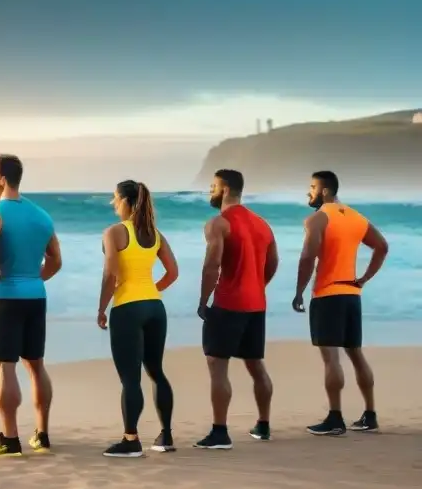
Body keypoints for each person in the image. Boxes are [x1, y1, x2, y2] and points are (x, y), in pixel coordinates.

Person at [0, 154, 61, 458]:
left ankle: (9, 438)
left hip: (6, 297)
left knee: (4, 366)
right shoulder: (42, 216)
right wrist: (33, 280)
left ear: (1, 179)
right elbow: (55, 261)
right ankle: (42, 434)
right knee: (36, 364)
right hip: (36, 297)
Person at [293, 171, 388, 436]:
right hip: (351, 295)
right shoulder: (357, 217)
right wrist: (364, 279)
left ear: (324, 191)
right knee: (355, 353)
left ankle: (335, 417)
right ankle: (370, 415)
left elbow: (307, 257)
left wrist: (299, 291)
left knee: (331, 357)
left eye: (312, 187)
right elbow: (382, 247)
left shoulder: (318, 219)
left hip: (327, 295)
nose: (308, 192)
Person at [195, 169, 278, 449]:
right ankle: (263, 425)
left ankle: (220, 432)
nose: (210, 191)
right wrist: (257, 285)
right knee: (255, 365)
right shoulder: (263, 224)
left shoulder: (219, 223)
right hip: (256, 304)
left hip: (229, 303)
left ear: (226, 189)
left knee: (218, 366)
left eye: (213, 187)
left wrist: (203, 300)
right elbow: (273, 263)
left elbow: (212, 265)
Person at [97, 180, 179, 458]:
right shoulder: (155, 234)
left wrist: (100, 309)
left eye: (115, 199)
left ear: (126, 201)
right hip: (155, 307)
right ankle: (166, 436)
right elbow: (173, 272)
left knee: (130, 378)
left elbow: (109, 275)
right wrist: (151, 291)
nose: (113, 204)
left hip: (127, 309)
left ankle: (131, 440)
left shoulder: (115, 233)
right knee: (156, 371)